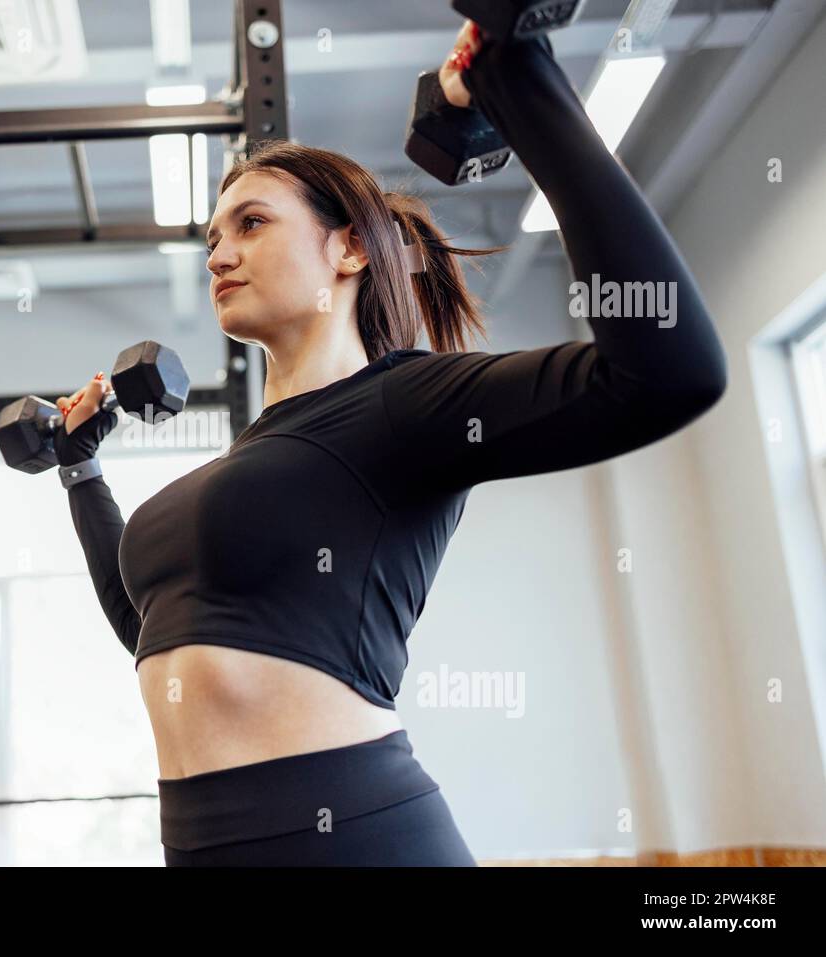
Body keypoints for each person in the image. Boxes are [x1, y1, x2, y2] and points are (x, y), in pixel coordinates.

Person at [50, 19, 727, 866]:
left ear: (351, 250)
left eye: (252, 223)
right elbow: (149, 627)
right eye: (214, 235)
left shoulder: (404, 404)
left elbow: (669, 371)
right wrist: (82, 473)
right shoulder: (250, 462)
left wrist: (518, 78)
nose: (219, 251)